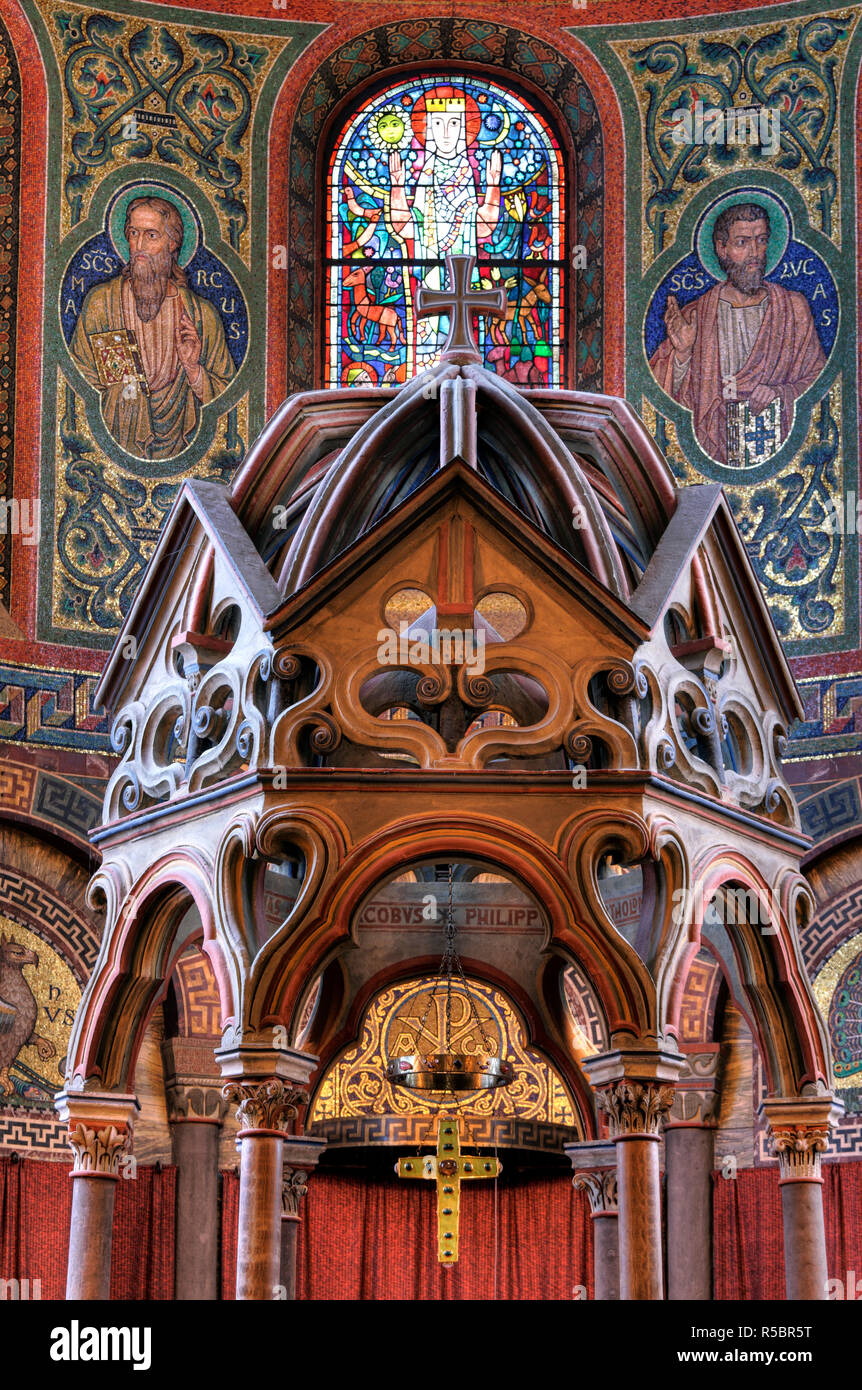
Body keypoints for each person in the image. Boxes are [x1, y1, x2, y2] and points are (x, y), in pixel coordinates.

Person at [649, 202, 826, 464]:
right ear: (722, 249)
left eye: (761, 240)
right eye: (742, 242)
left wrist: (780, 392)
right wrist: (682, 354)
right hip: (715, 445)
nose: (754, 253)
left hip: (780, 445)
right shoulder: (696, 316)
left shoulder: (793, 308)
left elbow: (821, 382)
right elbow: (658, 398)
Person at [70, 196, 234, 458]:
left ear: (173, 243)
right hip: (114, 448)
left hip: (179, 446)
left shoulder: (202, 317)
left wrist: (193, 370)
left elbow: (229, 400)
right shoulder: (102, 303)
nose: (139, 246)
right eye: (134, 233)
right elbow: (77, 381)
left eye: (152, 235)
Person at [386, 87, 502, 367]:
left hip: (468, 284)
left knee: (470, 346)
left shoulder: (468, 174)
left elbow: (482, 226)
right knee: (430, 357)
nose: (446, 133)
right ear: (427, 129)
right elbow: (406, 226)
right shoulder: (427, 173)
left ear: (465, 129)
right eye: (438, 124)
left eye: (454, 124)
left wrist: (493, 186)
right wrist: (397, 187)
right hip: (432, 282)